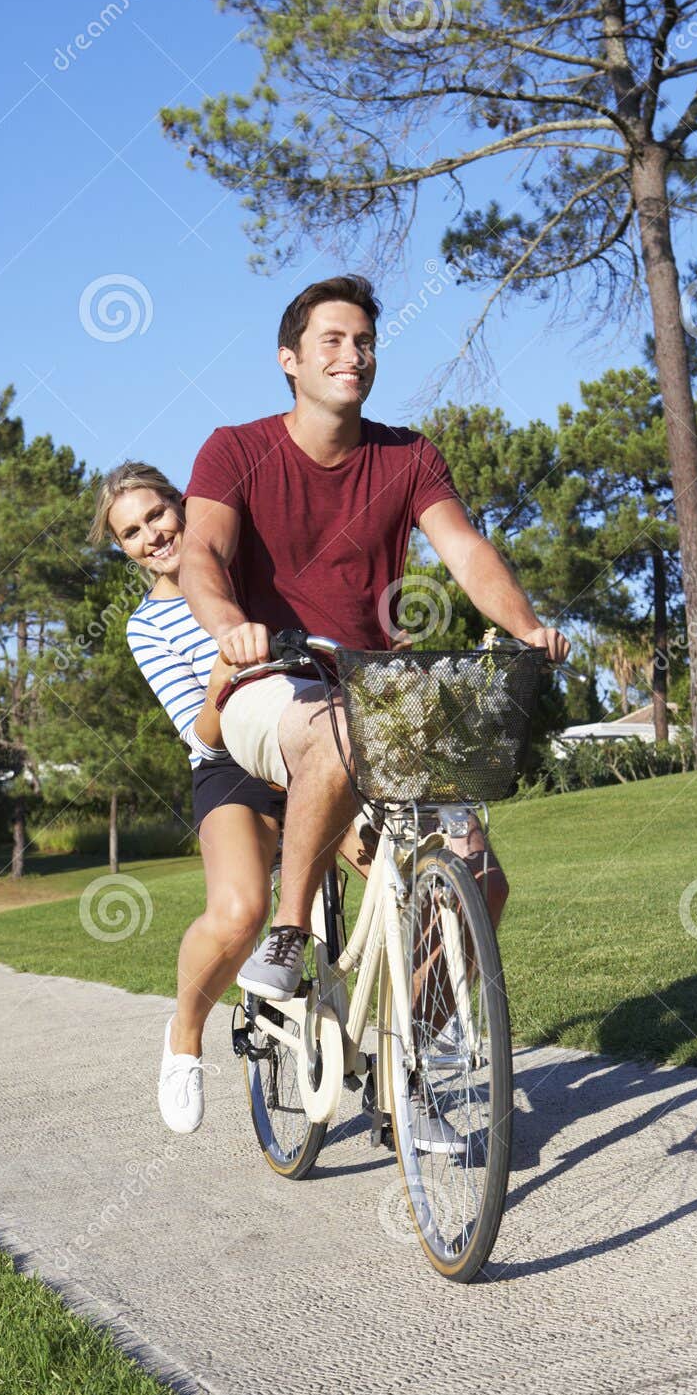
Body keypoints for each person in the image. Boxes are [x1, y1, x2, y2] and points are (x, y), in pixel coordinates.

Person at [178, 274, 570, 1008]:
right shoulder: (235, 450)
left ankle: (418, 1048)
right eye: (331, 340)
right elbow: (201, 552)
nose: (351, 354)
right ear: (288, 359)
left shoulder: (407, 456)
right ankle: (290, 932)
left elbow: (464, 550)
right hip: (268, 683)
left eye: (363, 342)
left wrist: (526, 626)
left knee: (478, 877)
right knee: (331, 736)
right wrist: (232, 627)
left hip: (371, 690)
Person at [89, 461, 283, 1136]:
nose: (151, 536)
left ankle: (416, 1063)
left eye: (157, 516)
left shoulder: (245, 568)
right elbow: (200, 734)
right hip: (228, 763)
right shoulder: (147, 628)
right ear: (122, 549)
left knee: (388, 880)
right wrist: (224, 671)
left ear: (183, 506)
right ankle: (184, 1034)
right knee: (239, 912)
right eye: (131, 532)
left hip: (307, 740)